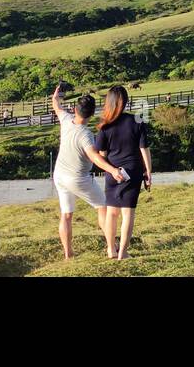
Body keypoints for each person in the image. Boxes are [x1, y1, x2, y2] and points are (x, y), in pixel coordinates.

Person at [51, 86, 127, 260]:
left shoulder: (66, 118)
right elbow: (95, 158)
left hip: (59, 175)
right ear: (92, 114)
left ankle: (68, 254)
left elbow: (56, 104)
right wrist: (113, 170)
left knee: (66, 215)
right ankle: (111, 247)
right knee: (102, 208)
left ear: (75, 109)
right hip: (78, 178)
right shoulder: (86, 135)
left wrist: (57, 95)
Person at [95, 86, 152, 260]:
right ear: (126, 102)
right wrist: (148, 172)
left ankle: (111, 250)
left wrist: (112, 169)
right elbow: (144, 149)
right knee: (128, 213)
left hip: (113, 172)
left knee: (112, 213)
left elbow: (101, 155)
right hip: (133, 172)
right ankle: (123, 252)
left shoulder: (104, 125)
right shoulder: (137, 120)